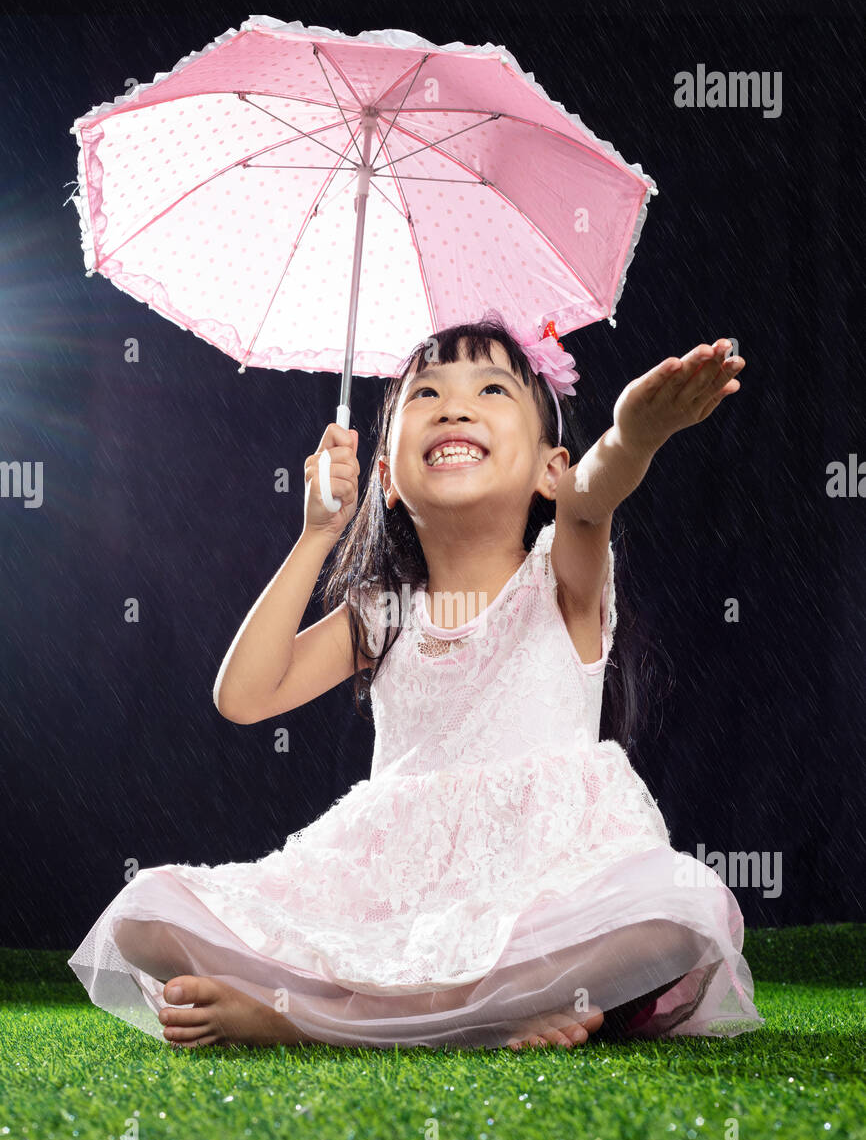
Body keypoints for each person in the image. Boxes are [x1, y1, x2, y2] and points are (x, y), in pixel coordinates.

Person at [68, 312, 764, 1052]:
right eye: (426, 394)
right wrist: (317, 535)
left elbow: (593, 498)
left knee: (682, 907)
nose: (456, 407)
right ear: (386, 479)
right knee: (147, 914)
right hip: (385, 894)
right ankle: (475, 1018)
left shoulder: (563, 574)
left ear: (549, 468)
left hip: (538, 891)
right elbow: (245, 697)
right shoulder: (383, 613)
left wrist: (633, 436)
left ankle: (307, 1018)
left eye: (492, 389)